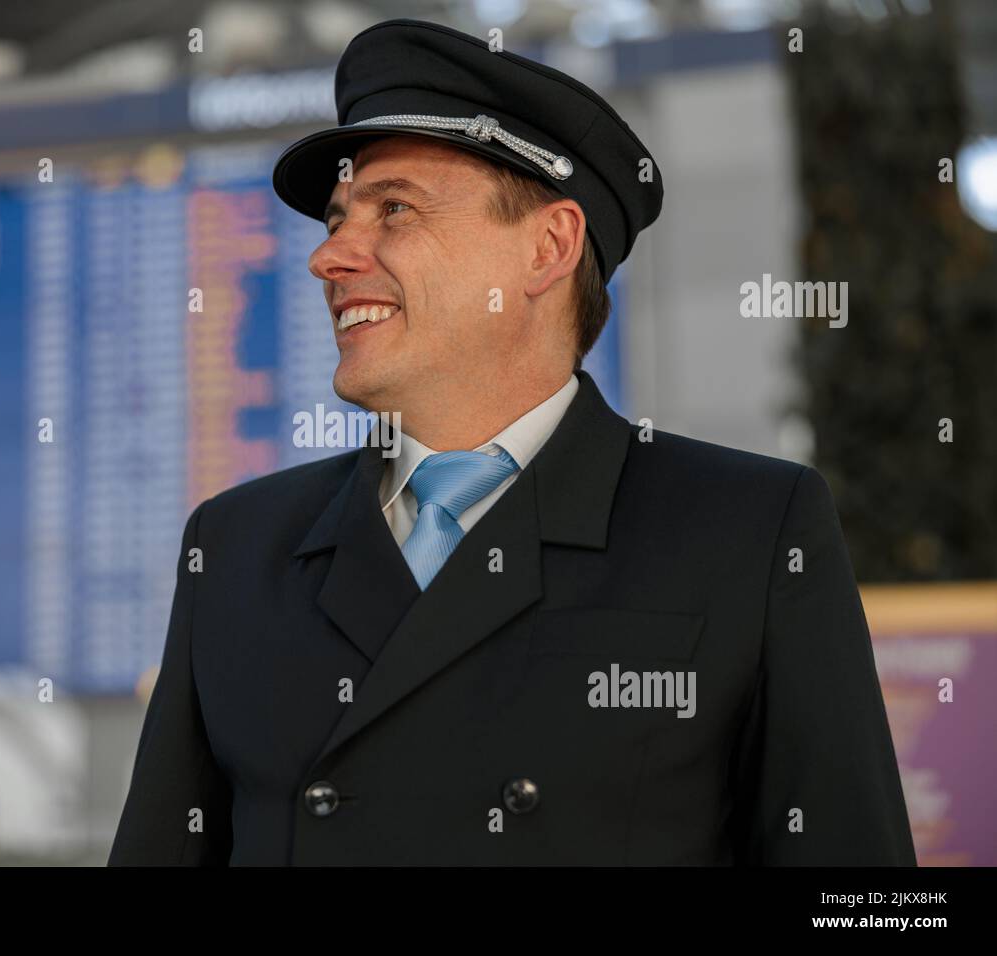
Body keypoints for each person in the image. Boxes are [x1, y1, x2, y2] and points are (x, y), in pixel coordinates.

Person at [109, 18, 915, 866]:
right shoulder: (237, 549)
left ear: (549, 247)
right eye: (337, 219)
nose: (331, 257)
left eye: (394, 211)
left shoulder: (750, 532)